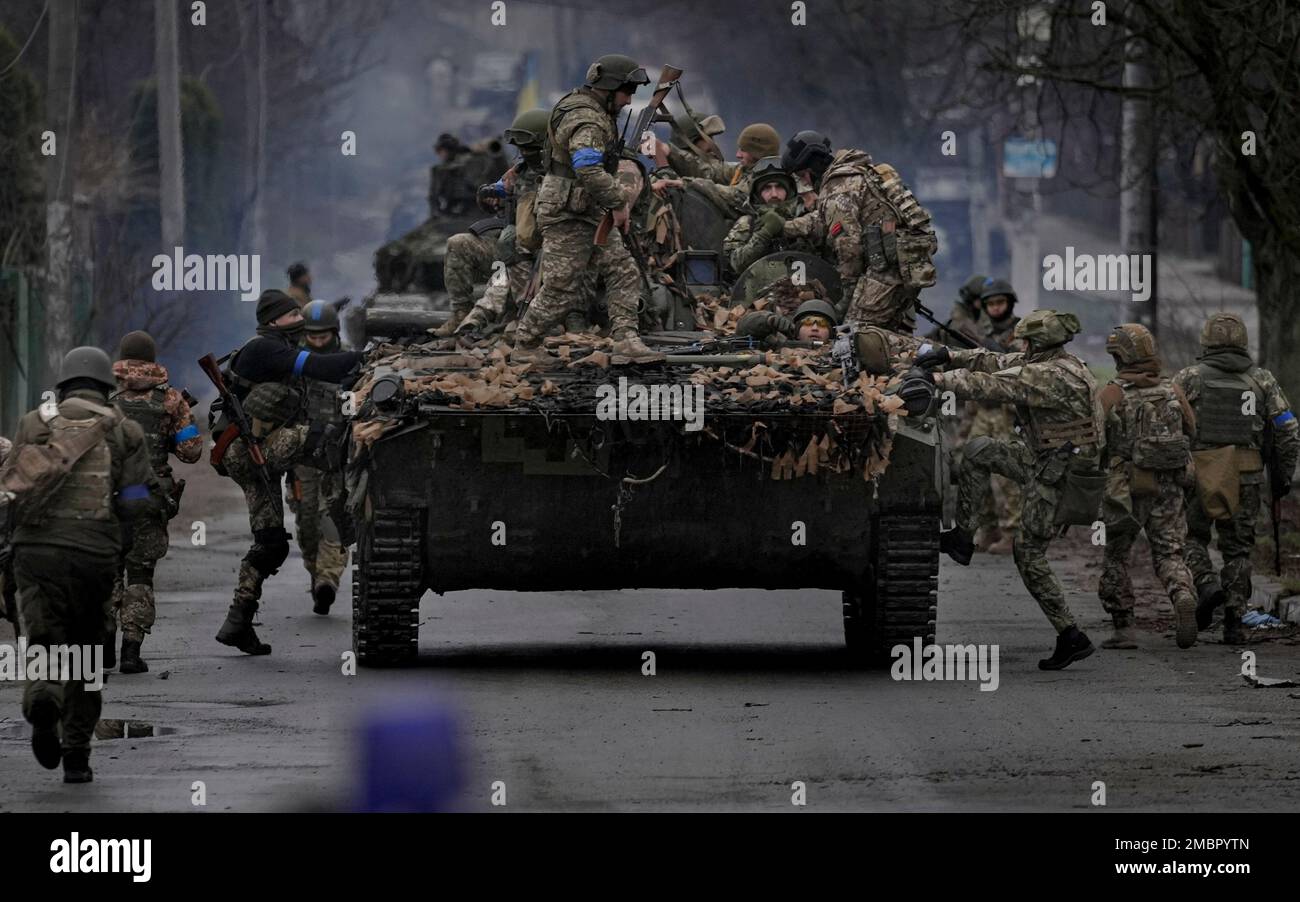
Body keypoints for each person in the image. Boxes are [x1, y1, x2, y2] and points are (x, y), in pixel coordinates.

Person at [919, 309, 1104, 670]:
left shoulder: (1050, 376)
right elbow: (995, 360)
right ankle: (963, 536)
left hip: (1059, 475)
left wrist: (937, 378)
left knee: (1028, 553)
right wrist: (950, 354)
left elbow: (990, 384)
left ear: (1037, 342)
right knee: (978, 450)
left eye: (1026, 340)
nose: (1021, 345)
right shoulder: (1053, 362)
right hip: (1043, 457)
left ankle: (1071, 634)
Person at [7, 347, 153, 782]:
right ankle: (76, 756)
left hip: (35, 553)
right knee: (87, 651)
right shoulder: (124, 430)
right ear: (107, 388)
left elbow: (13, 485)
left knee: (45, 638)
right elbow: (134, 502)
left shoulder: (33, 423)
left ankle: (42, 699)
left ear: (64, 384)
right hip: (93, 555)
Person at [213, 290, 364, 655]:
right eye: (292, 314)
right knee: (326, 439)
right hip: (252, 451)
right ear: (274, 320)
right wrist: (368, 358)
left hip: (251, 456)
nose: (299, 318)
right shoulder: (266, 348)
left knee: (271, 545)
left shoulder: (272, 345)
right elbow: (322, 366)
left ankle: (238, 621)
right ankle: (350, 525)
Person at [511, 54, 661, 363]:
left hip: (587, 208)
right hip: (569, 212)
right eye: (626, 91)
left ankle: (626, 339)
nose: (628, 99)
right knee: (562, 288)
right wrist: (619, 202)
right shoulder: (588, 119)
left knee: (622, 270)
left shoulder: (587, 108)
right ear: (608, 88)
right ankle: (525, 345)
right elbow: (588, 169)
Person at [1173, 312, 1299, 643]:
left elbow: (1168, 421)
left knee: (1190, 537)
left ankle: (1205, 583)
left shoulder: (1189, 378)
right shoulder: (1263, 380)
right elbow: (1287, 428)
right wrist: (1283, 476)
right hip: (1247, 473)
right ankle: (1233, 621)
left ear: (1206, 341)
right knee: (1238, 549)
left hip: (1201, 472)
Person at [1097, 324, 1199, 649]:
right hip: (1171, 482)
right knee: (1169, 551)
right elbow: (1191, 430)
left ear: (1120, 357)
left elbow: (1095, 439)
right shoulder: (1172, 390)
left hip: (1126, 487)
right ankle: (1182, 593)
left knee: (1116, 555)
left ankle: (1123, 627)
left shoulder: (1113, 393)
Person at [108, 330, 203, 672]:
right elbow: (191, 452)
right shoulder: (171, 400)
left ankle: (103, 644)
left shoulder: (106, 399)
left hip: (110, 495)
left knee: (107, 568)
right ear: (152, 359)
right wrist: (183, 422)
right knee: (140, 573)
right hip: (148, 496)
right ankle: (130, 650)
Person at [782, 131, 938, 329]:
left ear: (813, 166)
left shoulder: (837, 187)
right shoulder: (859, 172)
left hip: (887, 272)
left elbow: (849, 250)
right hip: (908, 263)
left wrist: (841, 303)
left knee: (855, 335)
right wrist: (786, 227)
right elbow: (823, 220)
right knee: (881, 333)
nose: (805, 182)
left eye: (803, 175)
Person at [445, 109, 551, 338]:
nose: (524, 153)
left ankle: (513, 317)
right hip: (512, 249)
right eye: (521, 149)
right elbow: (497, 190)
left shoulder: (562, 174)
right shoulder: (520, 172)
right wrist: (488, 196)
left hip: (547, 254)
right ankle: (460, 313)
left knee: (511, 243)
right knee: (458, 243)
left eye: (529, 149)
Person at [290, 301, 352, 614]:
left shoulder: (350, 361)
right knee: (307, 521)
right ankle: (316, 574)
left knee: (333, 519)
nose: (317, 341)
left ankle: (327, 579)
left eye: (322, 335)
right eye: (311, 336)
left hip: (337, 456)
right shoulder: (294, 363)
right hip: (303, 456)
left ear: (334, 333)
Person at [965, 278, 1024, 554]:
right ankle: (988, 527)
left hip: (1006, 411)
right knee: (974, 467)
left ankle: (1013, 532)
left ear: (1009, 303)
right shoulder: (982, 333)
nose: (996, 308)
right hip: (984, 408)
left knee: (1007, 474)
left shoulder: (1022, 333)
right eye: (990, 304)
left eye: (1000, 302)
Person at [722, 157, 827, 277]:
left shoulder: (808, 219)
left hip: (807, 289)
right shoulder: (746, 223)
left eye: (779, 187)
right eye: (767, 188)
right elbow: (736, 264)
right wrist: (764, 233)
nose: (774, 194)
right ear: (757, 194)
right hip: (758, 291)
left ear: (790, 191)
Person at [736, 298, 838, 348]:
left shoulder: (840, 352)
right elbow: (742, 329)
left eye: (822, 324)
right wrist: (767, 320)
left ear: (831, 333)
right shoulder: (779, 346)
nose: (815, 328)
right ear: (796, 330)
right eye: (808, 322)